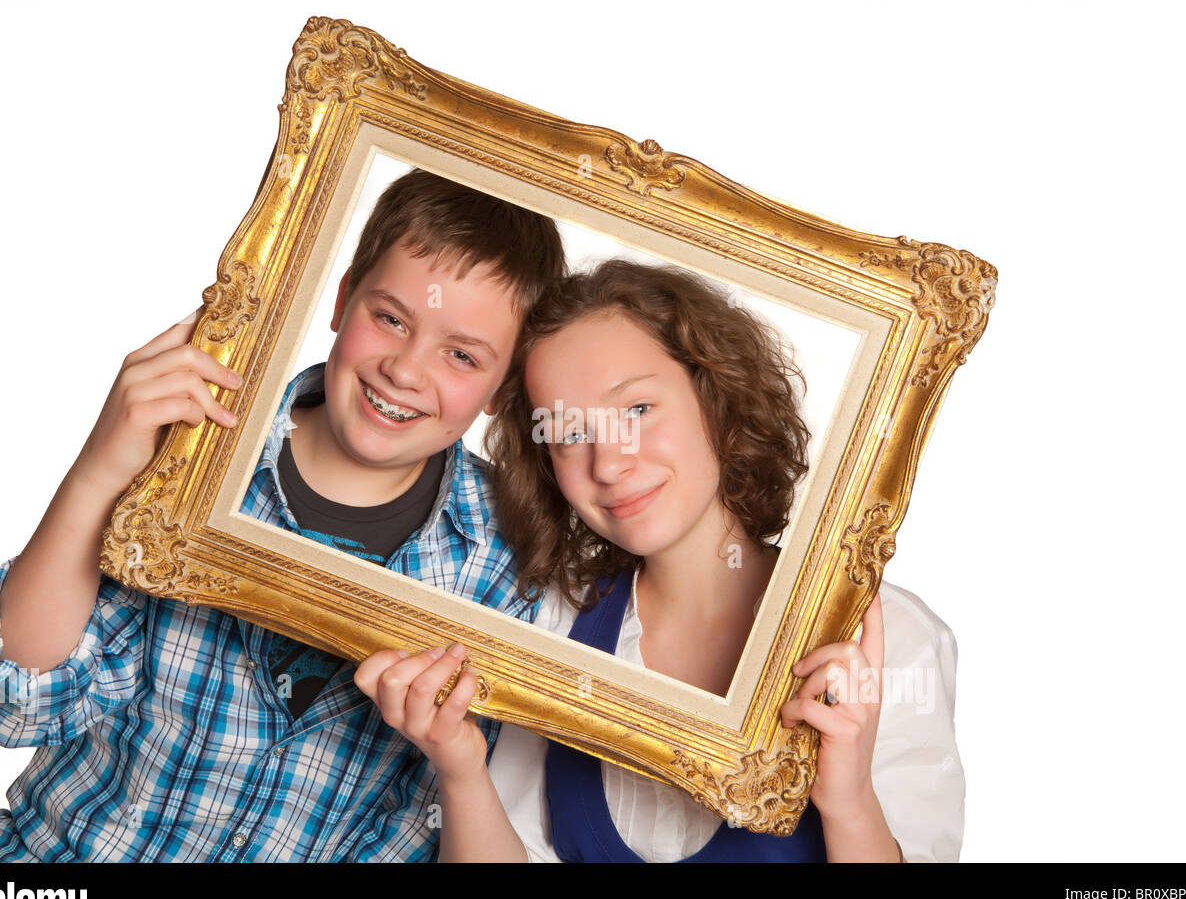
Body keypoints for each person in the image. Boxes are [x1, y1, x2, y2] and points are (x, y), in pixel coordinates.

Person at [0, 168, 567, 861]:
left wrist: (454, 763)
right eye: (390, 318)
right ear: (340, 300)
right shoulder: (194, 447)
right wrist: (98, 470)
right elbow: (16, 707)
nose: (405, 369)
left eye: (461, 355)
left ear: (502, 389)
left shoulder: (505, 563)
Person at [355, 259, 965, 862]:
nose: (609, 463)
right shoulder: (554, 625)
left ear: (717, 397)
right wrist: (461, 770)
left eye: (637, 411)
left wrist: (851, 801)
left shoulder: (880, 639)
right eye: (568, 434)